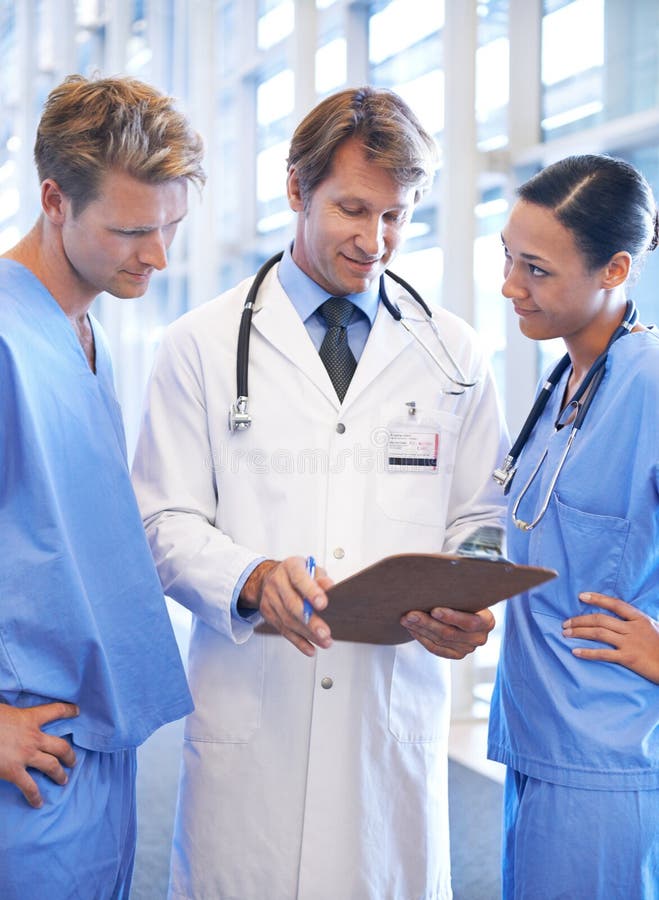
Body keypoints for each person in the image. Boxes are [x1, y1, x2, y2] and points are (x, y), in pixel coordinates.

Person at [132, 86, 508, 900]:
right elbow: (161, 519)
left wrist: (470, 594)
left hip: (389, 714)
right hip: (255, 712)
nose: (376, 241)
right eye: (353, 208)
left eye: (397, 215)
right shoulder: (197, 345)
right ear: (296, 189)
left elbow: (481, 516)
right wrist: (251, 578)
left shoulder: (451, 351)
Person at [0, 74, 205, 898]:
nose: (157, 256)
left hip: (96, 741)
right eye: (130, 231)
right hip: (26, 749)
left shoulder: (87, 333)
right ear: (55, 199)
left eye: (170, 228)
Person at [488, 154, 659, 899]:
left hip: (606, 755)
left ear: (614, 270)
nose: (508, 286)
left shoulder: (650, 386)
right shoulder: (562, 382)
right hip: (536, 739)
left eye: (535, 269)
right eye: (505, 257)